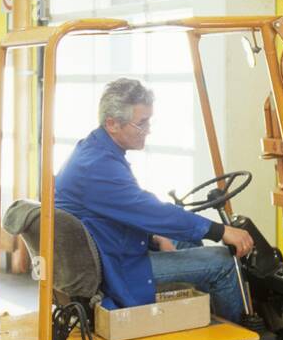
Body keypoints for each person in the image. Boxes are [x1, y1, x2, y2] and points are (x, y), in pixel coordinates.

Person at [54, 77, 253, 321]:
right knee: (223, 262)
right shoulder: (97, 166)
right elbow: (148, 209)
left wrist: (156, 235)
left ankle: (198, 320)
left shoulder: (96, 149)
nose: (148, 130)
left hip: (116, 246)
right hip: (119, 268)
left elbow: (127, 208)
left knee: (188, 243)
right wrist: (219, 230)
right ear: (112, 123)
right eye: (142, 123)